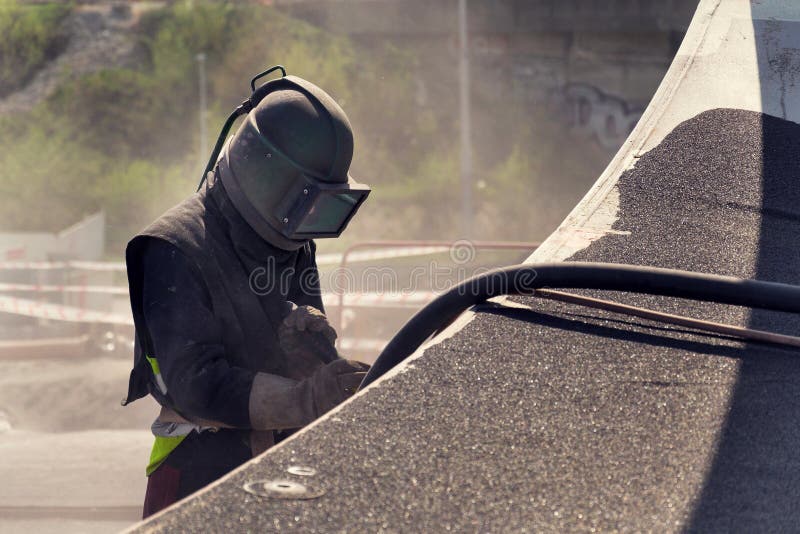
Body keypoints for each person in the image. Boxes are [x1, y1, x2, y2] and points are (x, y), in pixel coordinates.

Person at [121, 72, 371, 518]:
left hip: (277, 460)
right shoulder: (173, 247)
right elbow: (196, 385)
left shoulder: (290, 234)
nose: (311, 224)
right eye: (309, 204)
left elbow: (305, 362)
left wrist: (312, 354)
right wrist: (302, 400)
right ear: (268, 177)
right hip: (195, 473)